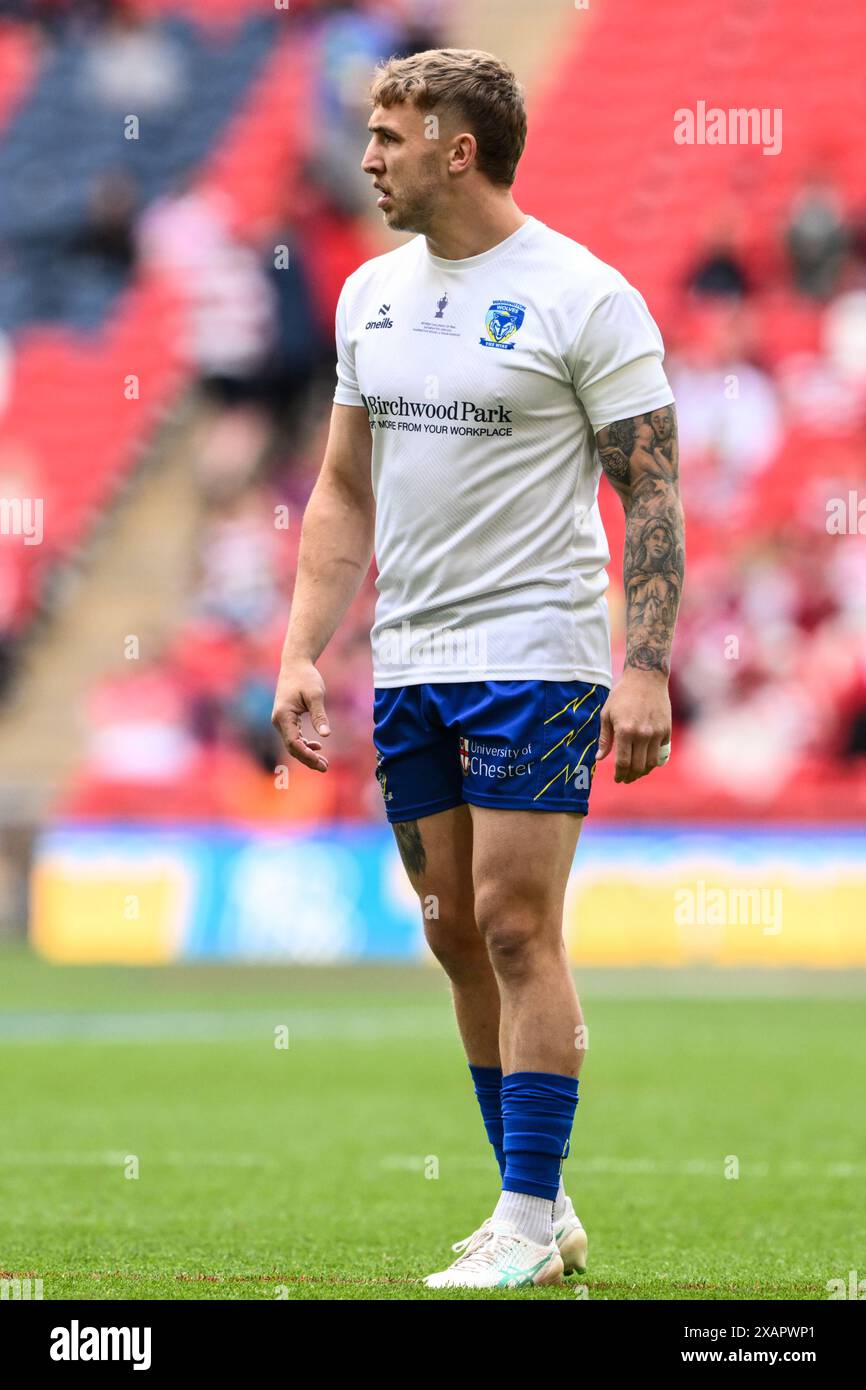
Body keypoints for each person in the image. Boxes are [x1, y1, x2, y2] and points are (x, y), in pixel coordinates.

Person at [271, 47, 685, 1291]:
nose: (366, 159)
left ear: (459, 148)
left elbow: (651, 486)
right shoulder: (365, 298)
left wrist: (646, 664)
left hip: (538, 653)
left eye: (389, 137)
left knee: (514, 925)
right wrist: (301, 646)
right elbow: (344, 486)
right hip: (413, 664)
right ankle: (542, 1205)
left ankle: (514, 1216)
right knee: (454, 933)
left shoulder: (583, 294)